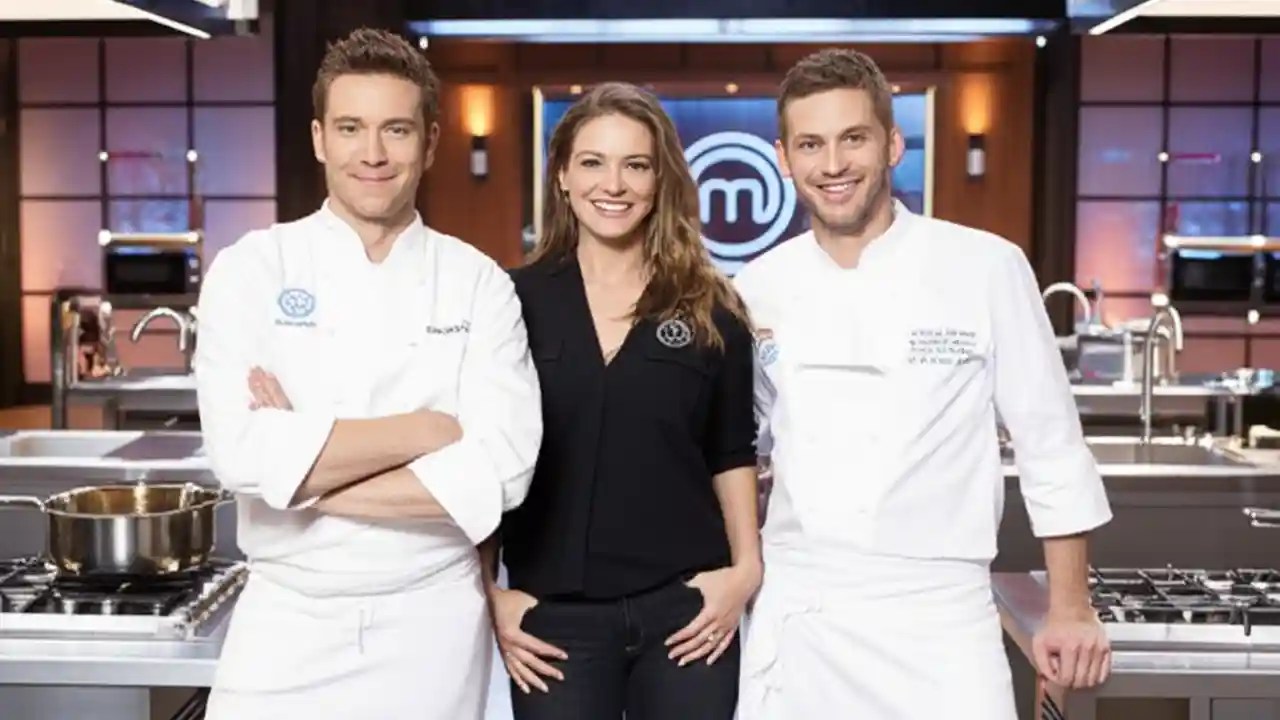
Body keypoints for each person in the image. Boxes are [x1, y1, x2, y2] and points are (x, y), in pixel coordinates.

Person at [732, 48, 1114, 718]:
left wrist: (1071, 608)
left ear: (893, 144)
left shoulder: (986, 267)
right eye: (811, 145)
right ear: (784, 158)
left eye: (854, 138)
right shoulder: (757, 287)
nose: (833, 165)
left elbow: (1050, 443)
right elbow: (738, 448)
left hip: (940, 618)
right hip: (802, 617)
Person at [193, 28, 541, 719]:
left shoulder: (479, 283)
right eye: (351, 128)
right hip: (286, 617)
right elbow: (240, 453)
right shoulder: (252, 268)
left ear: (431, 142)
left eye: (396, 130)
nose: (373, 153)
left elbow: (503, 470)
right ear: (321, 138)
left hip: (431, 620)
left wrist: (303, 470)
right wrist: (428, 430)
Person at [480, 81, 762, 720]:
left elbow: (731, 449)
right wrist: (489, 594)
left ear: (660, 180)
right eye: (593, 162)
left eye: (636, 165)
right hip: (554, 623)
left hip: (687, 616)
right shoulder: (508, 301)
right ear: (561, 176)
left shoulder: (711, 308)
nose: (614, 184)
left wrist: (744, 570)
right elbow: (483, 455)